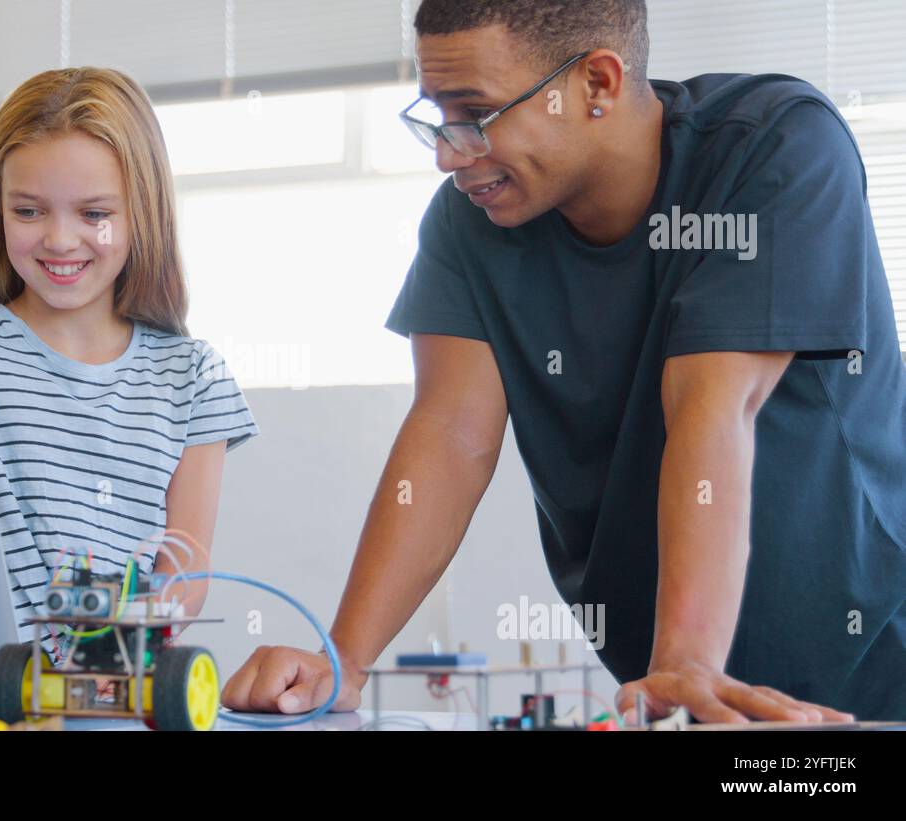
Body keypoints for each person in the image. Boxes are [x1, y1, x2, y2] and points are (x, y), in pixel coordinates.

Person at [223, 0, 904, 723]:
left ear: (597, 85)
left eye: (476, 113)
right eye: (437, 114)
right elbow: (451, 433)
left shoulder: (772, 146)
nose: (449, 153)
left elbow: (712, 406)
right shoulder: (472, 222)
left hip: (870, 669)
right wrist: (343, 661)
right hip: (675, 691)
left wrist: (685, 662)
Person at [0, 67, 259, 664]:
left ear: (142, 211)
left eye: (93, 213)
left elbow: (186, 574)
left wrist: (99, 654)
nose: (60, 239)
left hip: (108, 689)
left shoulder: (194, 377)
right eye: (29, 212)